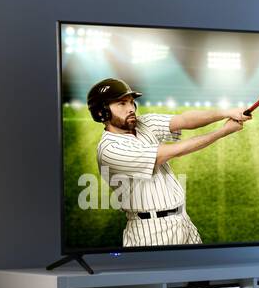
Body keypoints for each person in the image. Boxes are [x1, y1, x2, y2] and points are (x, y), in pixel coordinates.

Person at [88, 77, 250, 247]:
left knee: (201, 273)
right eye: (122, 104)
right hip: (151, 232)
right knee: (164, 274)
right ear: (101, 112)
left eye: (131, 102)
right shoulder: (110, 150)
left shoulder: (143, 124)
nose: (131, 108)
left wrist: (227, 112)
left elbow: (185, 120)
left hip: (183, 221)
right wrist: (223, 131)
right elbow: (178, 150)